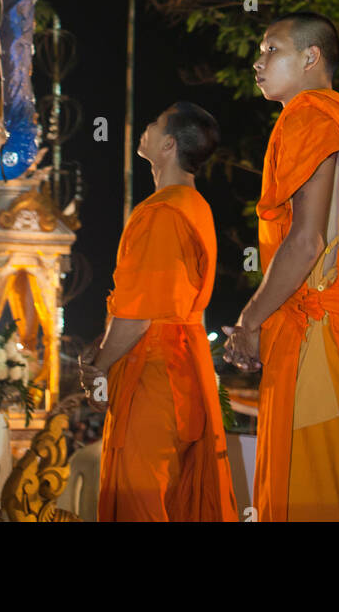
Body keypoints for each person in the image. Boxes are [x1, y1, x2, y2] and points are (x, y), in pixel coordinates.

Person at [223, 12, 339, 522]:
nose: (257, 63)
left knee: (313, 495)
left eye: (270, 50)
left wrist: (249, 320)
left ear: (310, 57)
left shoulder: (306, 115)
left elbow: (306, 242)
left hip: (316, 338)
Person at [80, 102, 239, 522]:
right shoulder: (194, 207)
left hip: (155, 372)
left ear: (167, 145)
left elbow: (138, 316)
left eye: (153, 123)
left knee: (140, 501)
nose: (145, 127)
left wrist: (98, 366)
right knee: (173, 501)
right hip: (186, 369)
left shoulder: (162, 212)